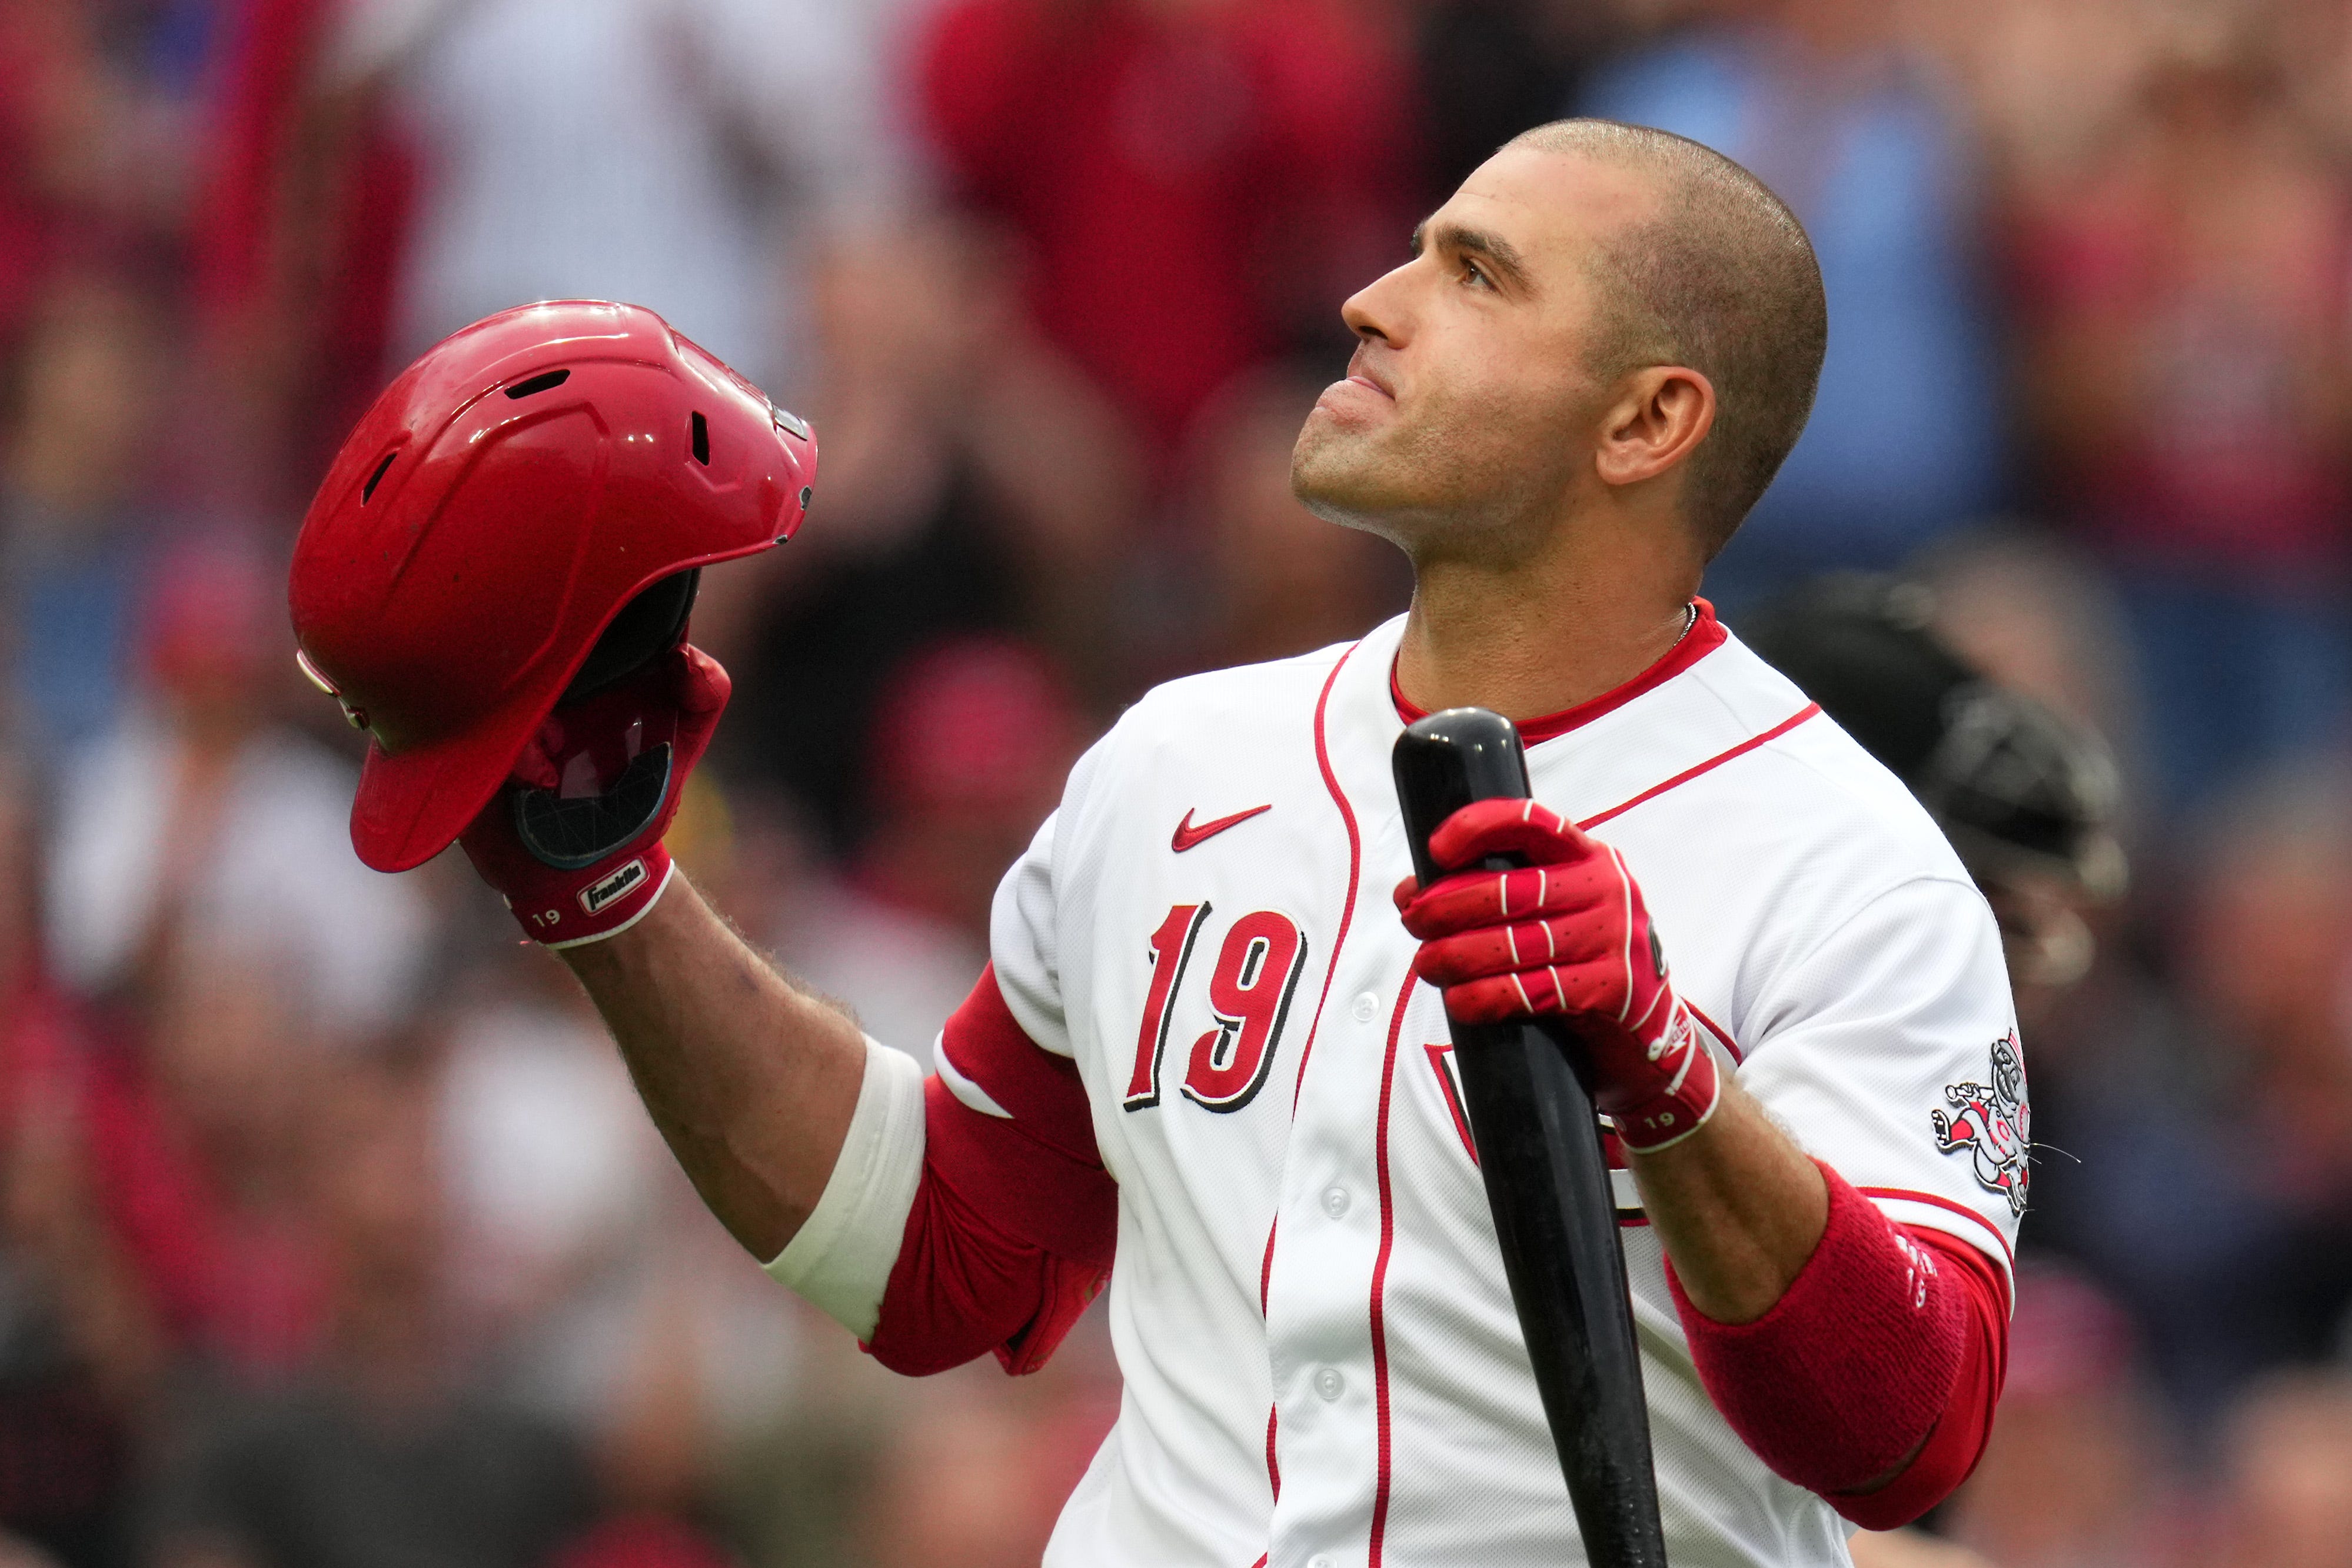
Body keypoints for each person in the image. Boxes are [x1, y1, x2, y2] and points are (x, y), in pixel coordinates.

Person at [314, 127, 2020, 1564]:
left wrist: (1672, 1083)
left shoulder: (1847, 868)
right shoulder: (1176, 760)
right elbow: (946, 1253)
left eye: (1479, 275)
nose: (1375, 298)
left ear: (1649, 423)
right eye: (1419, 248)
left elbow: (1910, 1436)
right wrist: (608, 890)